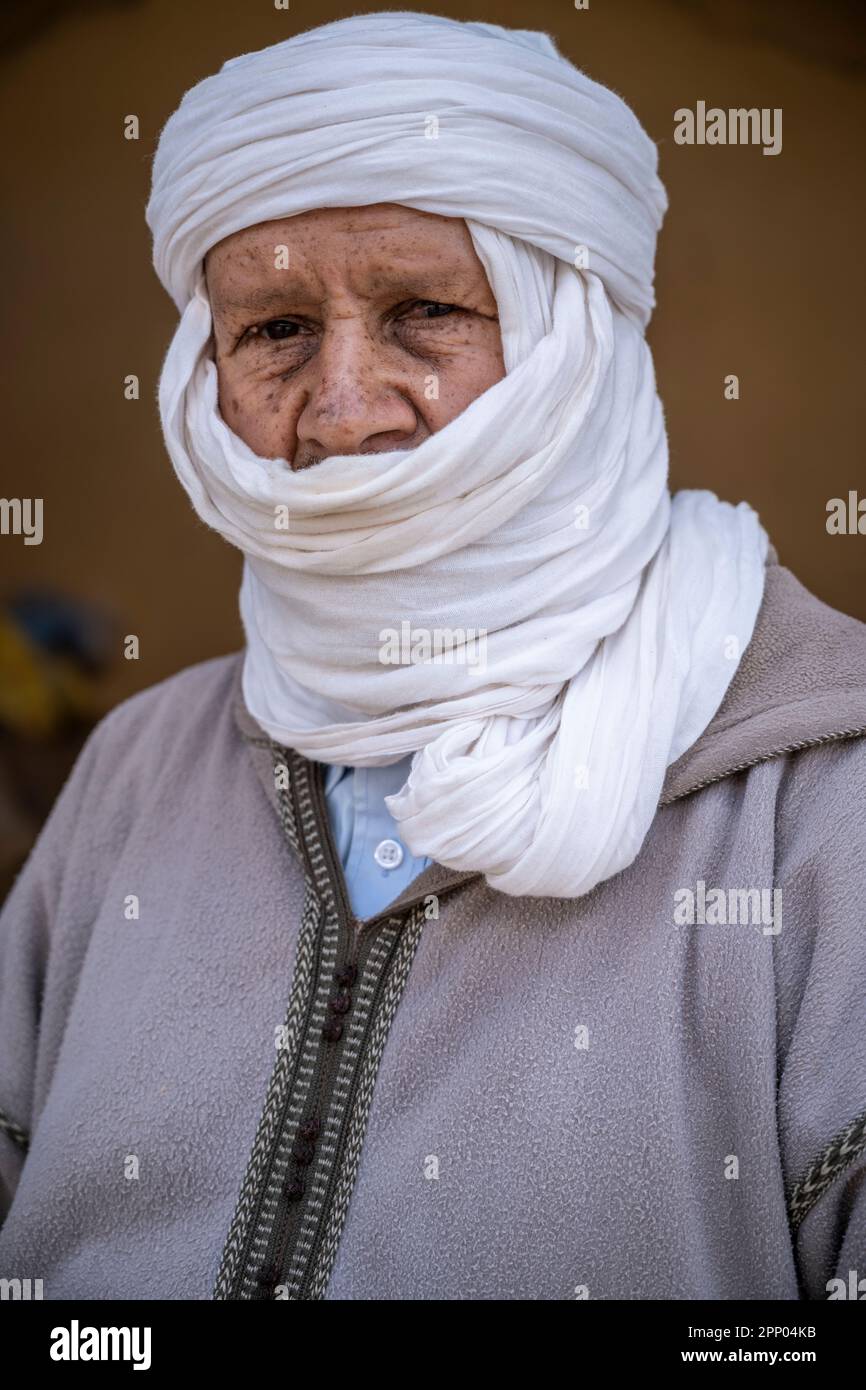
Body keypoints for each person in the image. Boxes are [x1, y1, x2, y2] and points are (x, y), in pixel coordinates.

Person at [0, 11, 864, 1301]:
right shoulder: (136, 770)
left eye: (427, 311)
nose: (346, 410)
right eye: (277, 328)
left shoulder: (822, 796)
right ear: (207, 370)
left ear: (579, 343)